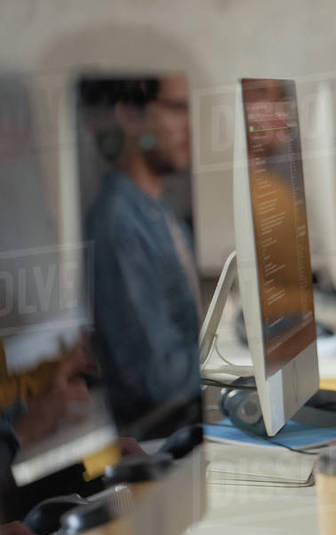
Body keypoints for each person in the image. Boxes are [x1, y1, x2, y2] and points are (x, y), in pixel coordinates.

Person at [79, 75, 201, 440]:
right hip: (163, 442)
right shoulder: (118, 222)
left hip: (192, 421)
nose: (191, 125)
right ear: (130, 115)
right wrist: (238, 362)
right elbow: (157, 379)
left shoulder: (162, 213)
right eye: (179, 109)